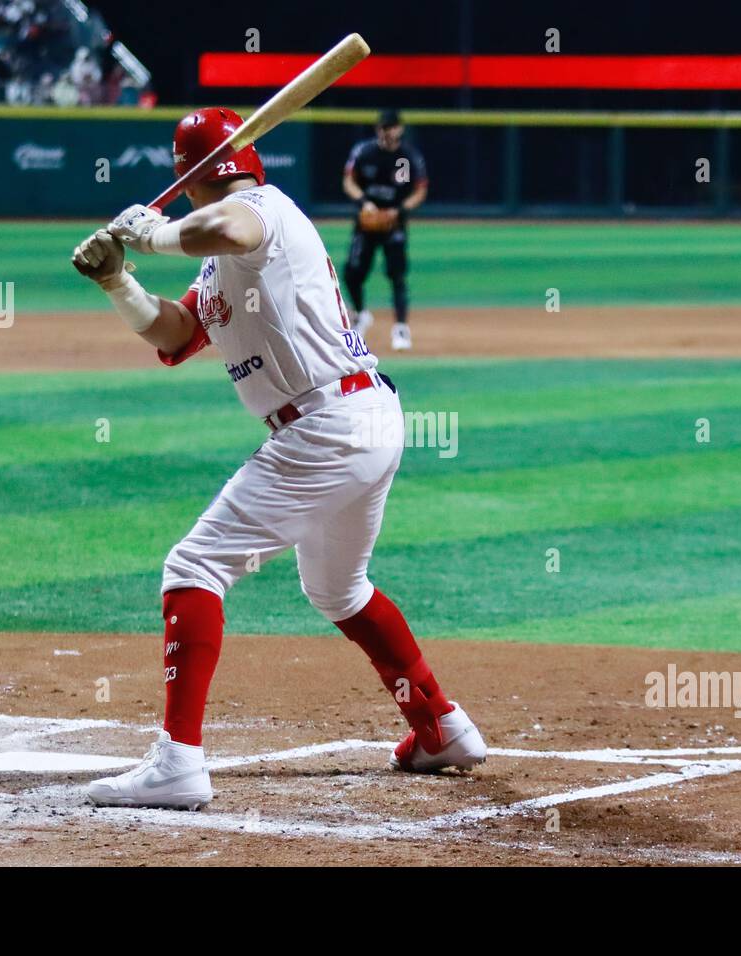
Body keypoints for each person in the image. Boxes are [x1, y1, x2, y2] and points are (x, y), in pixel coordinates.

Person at [70, 107, 486, 810]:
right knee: (338, 590)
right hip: (356, 421)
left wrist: (152, 230)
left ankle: (176, 763)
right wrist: (120, 282)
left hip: (328, 425)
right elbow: (176, 334)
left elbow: (228, 223)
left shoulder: (260, 211)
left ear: (186, 176)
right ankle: (442, 726)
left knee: (193, 566)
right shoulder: (221, 255)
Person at [341, 108, 428, 351]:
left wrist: (399, 211)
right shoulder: (364, 152)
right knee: (352, 272)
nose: (387, 132)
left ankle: (400, 327)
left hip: (394, 223)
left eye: (391, 127)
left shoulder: (408, 156)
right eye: (383, 127)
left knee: (397, 275)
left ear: (400, 129)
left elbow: (420, 190)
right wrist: (363, 202)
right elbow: (348, 180)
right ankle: (360, 314)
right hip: (366, 221)